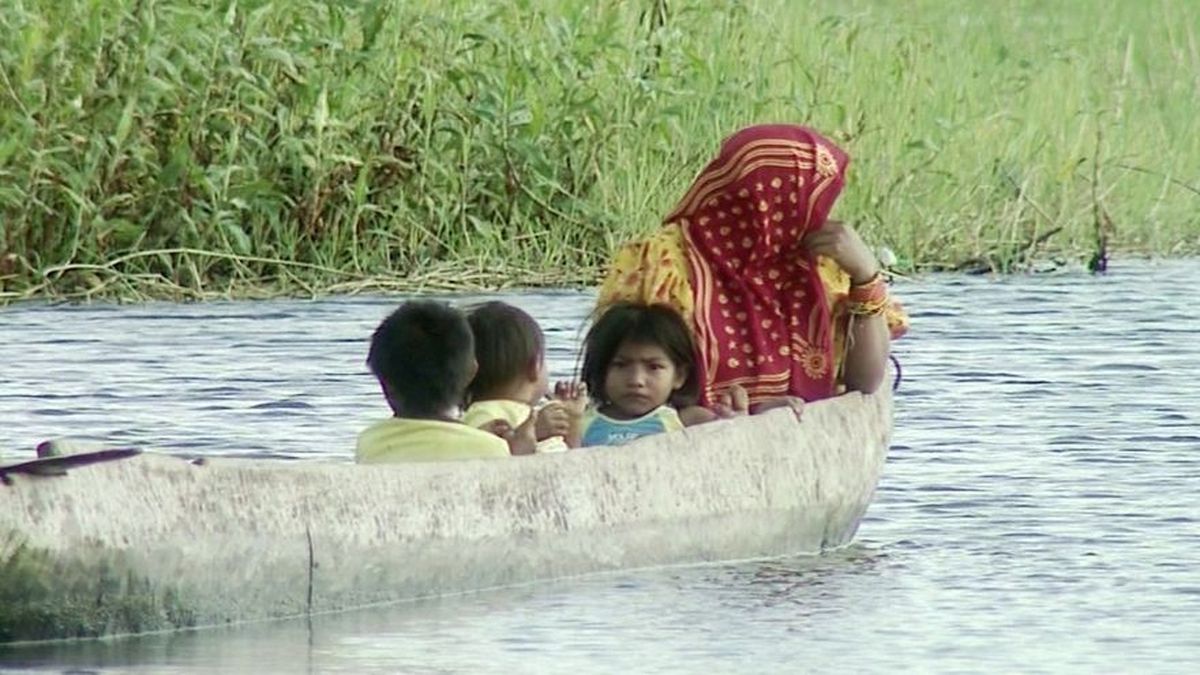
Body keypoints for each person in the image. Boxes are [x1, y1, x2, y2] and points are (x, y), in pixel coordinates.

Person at [597, 124, 908, 407]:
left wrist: (866, 276)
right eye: (807, 198)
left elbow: (864, 382)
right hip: (691, 430)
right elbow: (624, 376)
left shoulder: (824, 263)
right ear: (765, 200)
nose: (819, 212)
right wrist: (741, 415)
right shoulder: (664, 261)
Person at [356, 300, 534, 463]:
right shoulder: (492, 450)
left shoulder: (369, 442)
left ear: (384, 383)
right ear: (471, 373)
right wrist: (521, 458)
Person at [577, 301, 728, 447]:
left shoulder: (690, 422)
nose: (636, 381)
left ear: (679, 376)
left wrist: (735, 421)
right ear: (600, 370)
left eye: (654, 367)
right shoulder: (581, 423)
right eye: (621, 365)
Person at [461, 301, 585, 451]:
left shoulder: (533, 415)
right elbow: (487, 457)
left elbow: (573, 457)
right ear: (535, 366)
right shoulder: (485, 414)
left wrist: (573, 419)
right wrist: (534, 432)